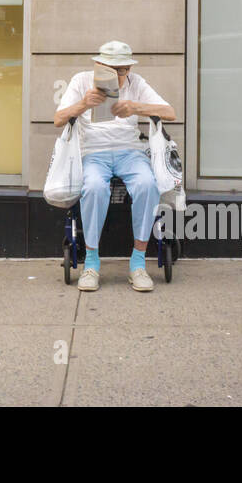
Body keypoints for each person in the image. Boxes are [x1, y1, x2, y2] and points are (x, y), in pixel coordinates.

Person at [53, 40, 176, 293]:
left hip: (130, 151)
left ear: (129, 69)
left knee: (147, 184)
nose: (118, 76)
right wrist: (84, 104)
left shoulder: (136, 83)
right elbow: (58, 119)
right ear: (98, 66)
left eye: (122, 70)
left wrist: (135, 107)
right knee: (94, 187)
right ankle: (92, 262)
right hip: (93, 153)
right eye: (110, 69)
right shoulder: (81, 81)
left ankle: (138, 262)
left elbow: (170, 112)